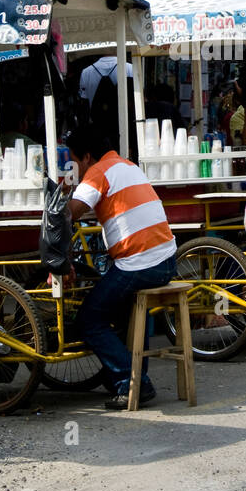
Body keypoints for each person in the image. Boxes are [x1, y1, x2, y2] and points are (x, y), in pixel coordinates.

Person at [67, 124, 178, 410]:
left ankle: (132, 383)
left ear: (87, 157)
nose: (75, 168)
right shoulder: (127, 165)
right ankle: (126, 373)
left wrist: (60, 197)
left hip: (140, 265)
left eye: (74, 161)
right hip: (166, 259)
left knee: (89, 320)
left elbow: (71, 212)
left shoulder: (97, 172)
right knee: (121, 309)